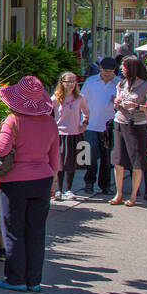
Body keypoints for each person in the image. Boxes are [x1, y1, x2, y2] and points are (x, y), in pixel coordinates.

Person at [0, 76, 60, 292]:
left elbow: (0, 150)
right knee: (36, 231)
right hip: (43, 179)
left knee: (13, 229)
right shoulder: (50, 122)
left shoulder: (13, 120)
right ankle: (34, 280)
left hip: (15, 181)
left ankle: (16, 278)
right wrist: (53, 182)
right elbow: (55, 158)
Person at [110, 55, 147, 206]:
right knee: (118, 160)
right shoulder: (122, 83)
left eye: (124, 67)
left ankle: (133, 195)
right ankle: (118, 194)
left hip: (137, 125)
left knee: (136, 161)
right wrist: (117, 103)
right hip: (119, 122)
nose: (121, 69)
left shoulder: (146, 86)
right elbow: (116, 104)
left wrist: (137, 106)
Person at [80, 57, 117, 197]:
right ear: (100, 68)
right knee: (90, 155)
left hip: (109, 126)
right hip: (91, 124)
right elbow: (81, 101)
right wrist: (81, 121)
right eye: (105, 70)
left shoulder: (119, 83)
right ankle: (89, 182)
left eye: (110, 71)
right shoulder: (91, 81)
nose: (107, 73)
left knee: (107, 157)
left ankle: (105, 185)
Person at [51, 71, 88, 201]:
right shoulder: (55, 98)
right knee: (60, 163)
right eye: (69, 81)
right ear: (62, 83)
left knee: (71, 162)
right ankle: (59, 190)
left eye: (74, 81)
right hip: (60, 134)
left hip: (74, 133)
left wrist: (84, 124)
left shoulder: (79, 98)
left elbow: (86, 113)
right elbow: (49, 115)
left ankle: (69, 189)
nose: (72, 84)